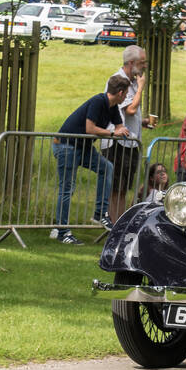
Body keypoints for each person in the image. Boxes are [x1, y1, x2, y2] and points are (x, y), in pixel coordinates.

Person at [52, 76, 130, 244]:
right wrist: (112, 133)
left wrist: (122, 130)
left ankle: (100, 214)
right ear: (121, 93)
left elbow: (118, 127)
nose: (126, 98)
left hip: (83, 147)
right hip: (66, 146)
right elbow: (89, 129)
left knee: (107, 168)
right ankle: (62, 232)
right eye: (126, 94)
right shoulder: (98, 101)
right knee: (67, 188)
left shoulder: (113, 106)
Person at [101, 45, 156, 225]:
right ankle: (113, 224)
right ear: (131, 63)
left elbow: (126, 116)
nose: (145, 66)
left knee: (124, 188)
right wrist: (140, 87)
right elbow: (130, 109)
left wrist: (143, 122)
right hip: (117, 144)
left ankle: (119, 224)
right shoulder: (118, 80)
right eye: (142, 63)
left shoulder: (131, 81)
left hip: (130, 143)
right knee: (115, 188)